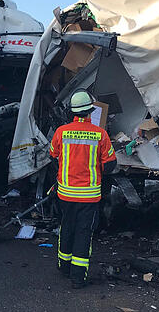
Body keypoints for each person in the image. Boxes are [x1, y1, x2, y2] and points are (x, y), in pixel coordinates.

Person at [49, 89, 117, 288]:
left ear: (72, 112)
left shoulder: (62, 132)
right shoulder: (100, 134)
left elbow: (53, 155)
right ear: (89, 112)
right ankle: (78, 277)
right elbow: (110, 164)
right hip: (89, 196)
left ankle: (64, 266)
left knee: (67, 227)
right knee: (83, 233)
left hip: (65, 193)